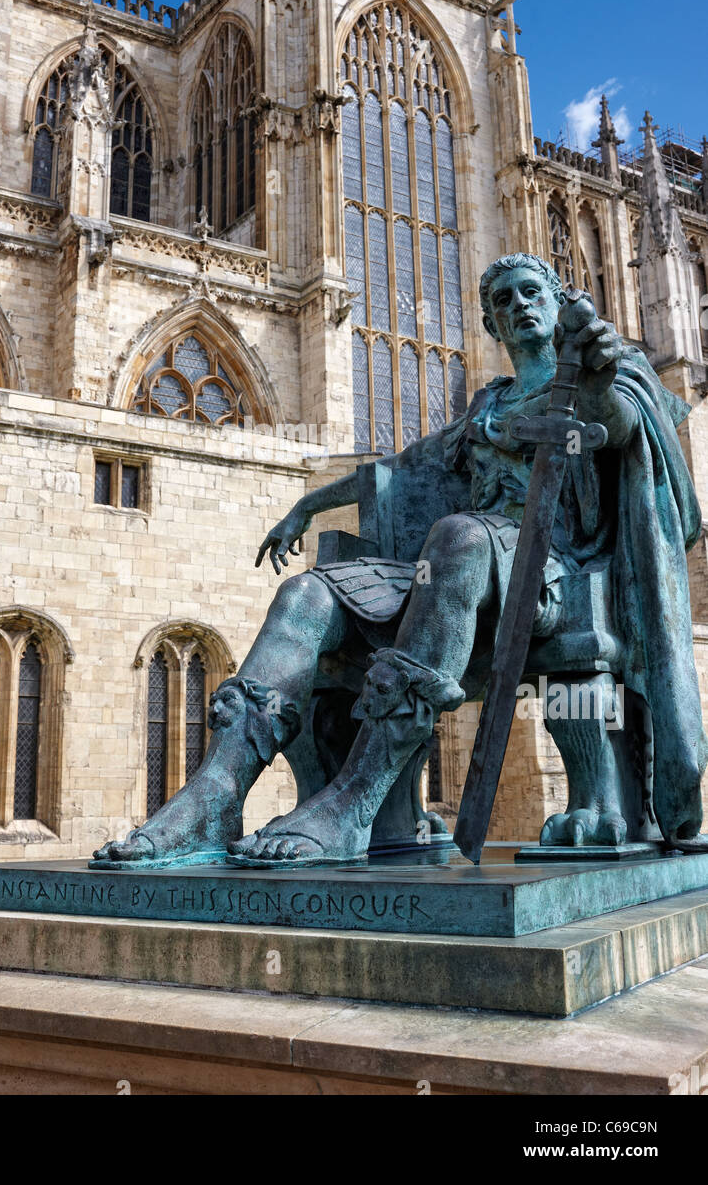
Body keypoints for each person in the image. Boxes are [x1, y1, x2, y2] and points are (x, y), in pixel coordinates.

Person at [94, 254, 707, 868]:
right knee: (305, 595)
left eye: (531, 293)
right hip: (466, 566)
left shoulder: (596, 372)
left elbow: (623, 426)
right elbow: (401, 468)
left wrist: (597, 384)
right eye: (503, 301)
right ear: (492, 327)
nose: (519, 305)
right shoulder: (486, 408)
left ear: (554, 303)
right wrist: (310, 503)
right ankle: (215, 798)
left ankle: (355, 800)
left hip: (551, 568)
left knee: (457, 537)